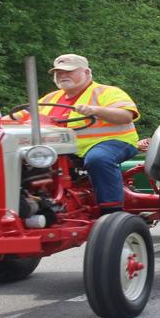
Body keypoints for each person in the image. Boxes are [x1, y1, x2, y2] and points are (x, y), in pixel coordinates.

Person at [13, 54, 141, 215]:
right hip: (62, 151)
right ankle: (28, 205)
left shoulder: (107, 92)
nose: (62, 75)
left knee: (98, 159)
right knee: (15, 161)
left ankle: (111, 212)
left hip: (110, 142)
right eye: (58, 72)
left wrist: (97, 110)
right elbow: (16, 118)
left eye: (69, 71)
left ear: (87, 72)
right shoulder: (50, 98)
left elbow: (126, 115)